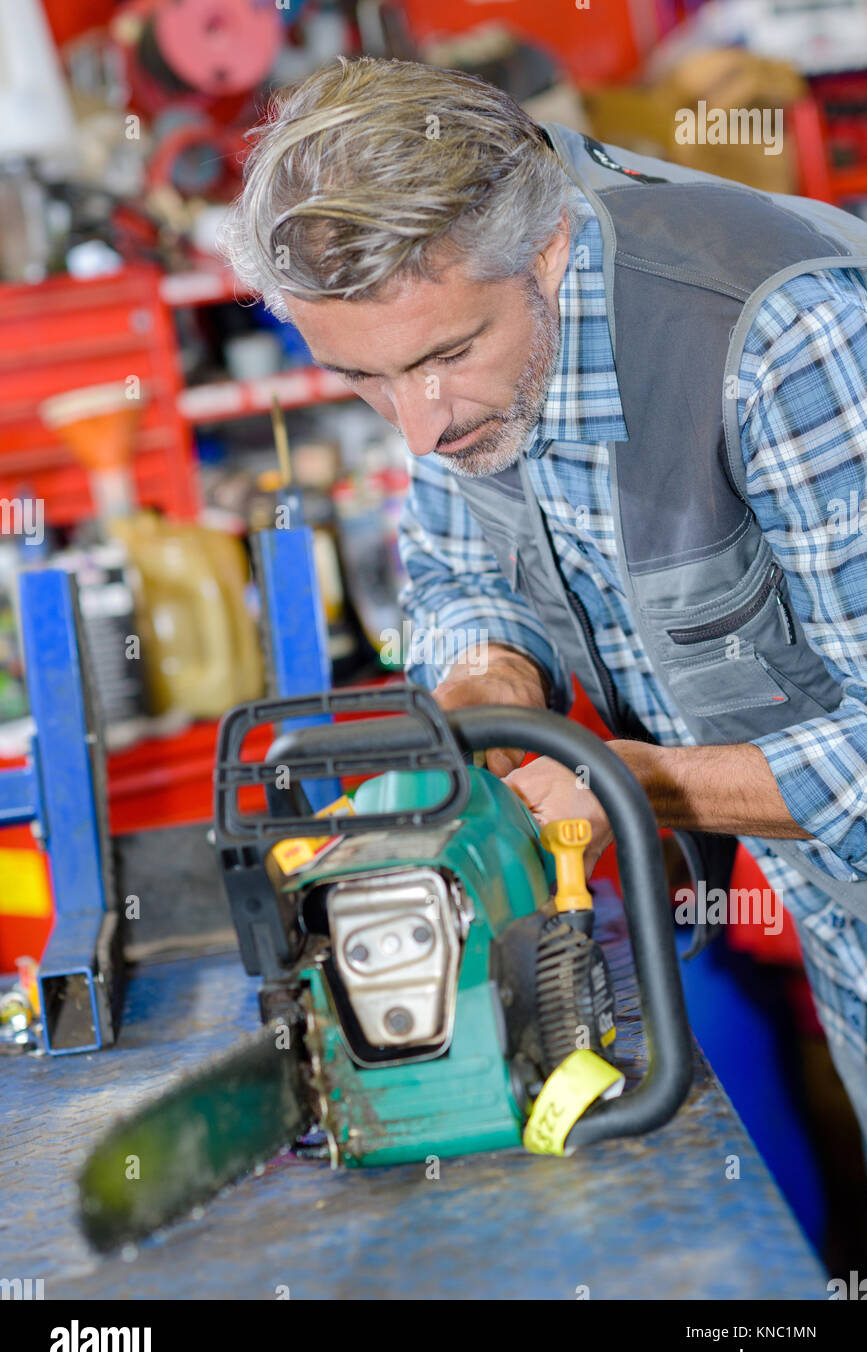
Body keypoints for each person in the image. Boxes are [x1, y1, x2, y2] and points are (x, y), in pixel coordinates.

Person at [221, 56, 867, 1145]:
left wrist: (614, 783)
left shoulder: (782, 341)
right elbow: (460, 572)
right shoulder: (455, 358)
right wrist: (487, 698)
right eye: (363, 382)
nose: (413, 426)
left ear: (549, 249)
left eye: (441, 357)